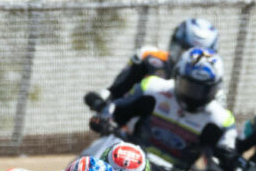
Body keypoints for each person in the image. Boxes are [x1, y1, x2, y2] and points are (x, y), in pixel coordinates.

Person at [92, 47, 238, 171]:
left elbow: (226, 157)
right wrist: (105, 119)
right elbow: (119, 111)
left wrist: (216, 168)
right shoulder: (153, 88)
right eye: (190, 86)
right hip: (130, 160)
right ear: (177, 76)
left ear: (216, 88)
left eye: (203, 89)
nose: (194, 96)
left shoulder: (222, 120)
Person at [86, 17, 220, 109]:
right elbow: (116, 91)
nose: (187, 59)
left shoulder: (214, 86)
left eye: (196, 55)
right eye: (183, 51)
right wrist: (101, 100)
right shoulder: (148, 58)